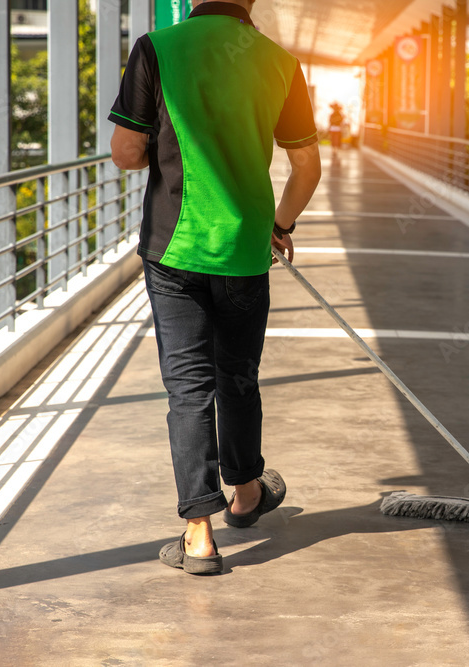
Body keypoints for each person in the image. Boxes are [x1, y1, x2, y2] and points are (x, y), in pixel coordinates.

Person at [109, 0, 321, 575]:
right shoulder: (280, 62)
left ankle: (198, 534)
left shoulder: (158, 48)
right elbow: (307, 167)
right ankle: (247, 493)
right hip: (245, 250)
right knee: (237, 374)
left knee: (188, 387)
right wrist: (280, 226)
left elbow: (126, 153)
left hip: (173, 249)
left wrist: (178, 141)